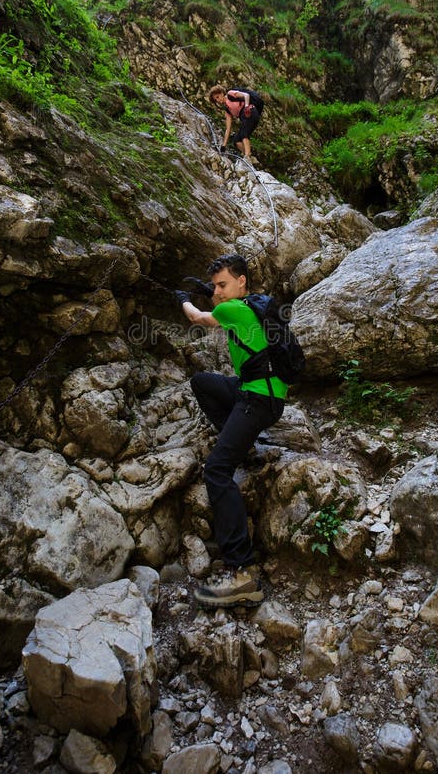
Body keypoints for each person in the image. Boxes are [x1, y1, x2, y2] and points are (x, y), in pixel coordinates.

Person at [175, 254, 287, 609]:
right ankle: (241, 443)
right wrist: (210, 289)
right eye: (216, 286)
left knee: (217, 470)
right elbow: (223, 305)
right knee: (203, 382)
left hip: (258, 400)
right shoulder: (253, 305)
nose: (218, 292)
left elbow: (198, 318)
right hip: (258, 390)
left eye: (223, 284)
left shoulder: (232, 310)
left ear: (242, 281)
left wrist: (183, 300)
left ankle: (244, 574)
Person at [208, 85, 264, 160]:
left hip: (250, 111)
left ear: (222, 93)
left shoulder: (230, 94)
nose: (217, 100)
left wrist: (246, 106)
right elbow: (228, 129)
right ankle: (249, 157)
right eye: (215, 100)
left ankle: (247, 156)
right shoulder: (227, 111)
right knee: (237, 140)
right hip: (245, 118)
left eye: (217, 97)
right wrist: (223, 146)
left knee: (244, 133)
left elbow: (246, 95)